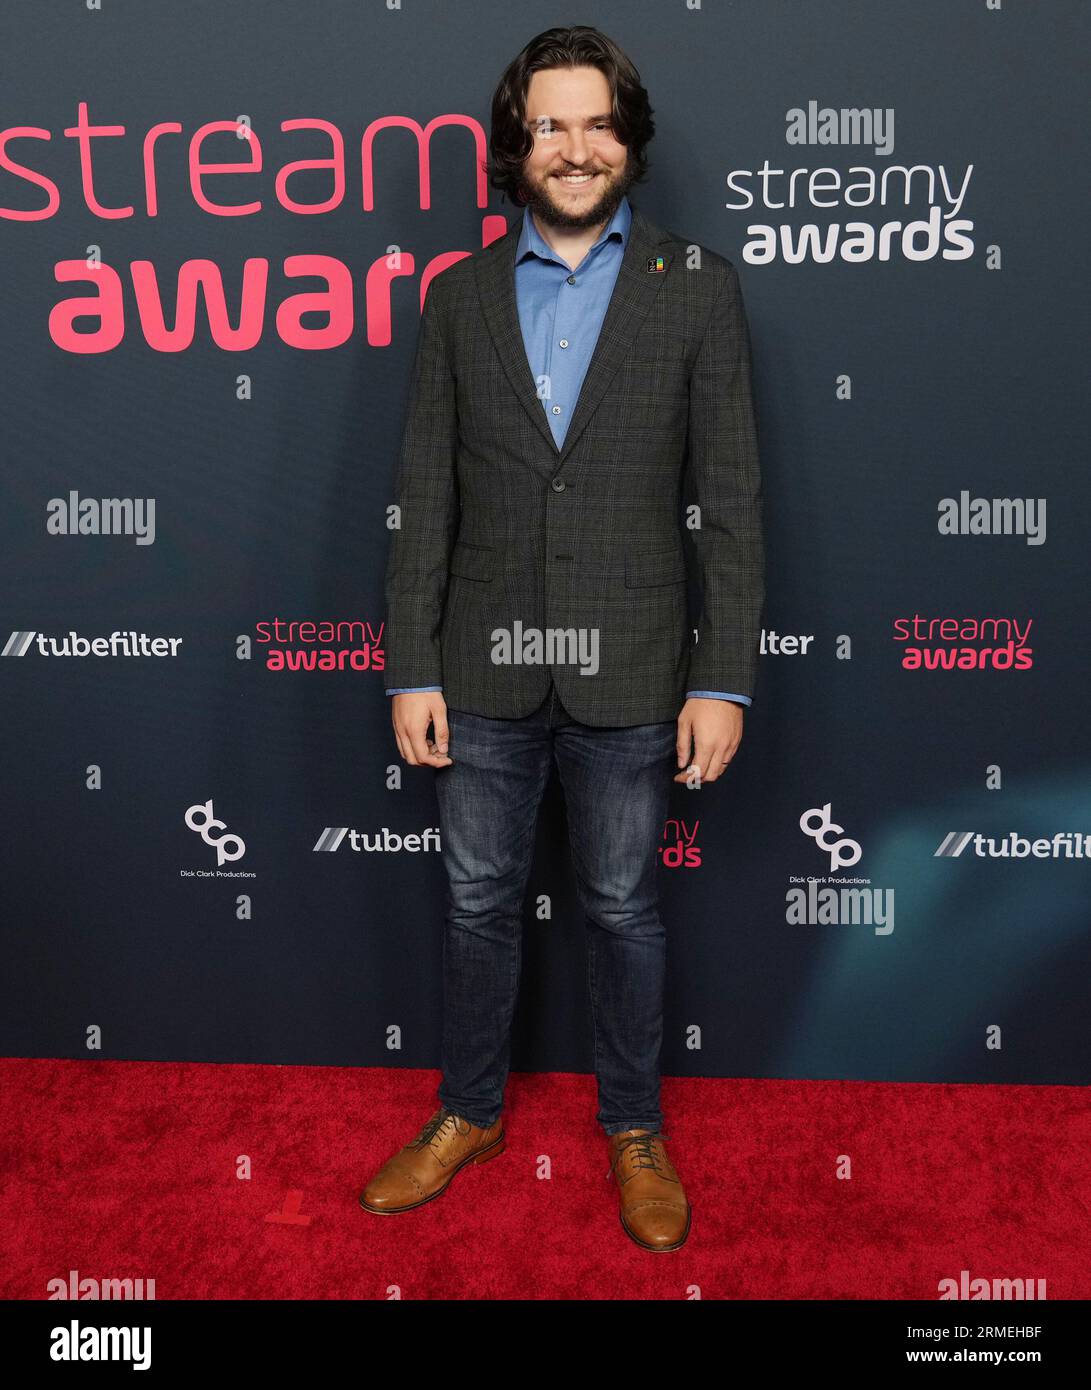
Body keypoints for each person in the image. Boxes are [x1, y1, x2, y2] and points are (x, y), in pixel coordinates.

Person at [360, 24, 765, 1252]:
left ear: (627, 138)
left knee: (623, 907)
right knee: (477, 901)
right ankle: (467, 1112)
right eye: (549, 124)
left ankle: (632, 1126)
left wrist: (726, 681)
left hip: (638, 662)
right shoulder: (458, 297)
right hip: (479, 665)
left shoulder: (696, 285)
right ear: (514, 146)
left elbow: (731, 499)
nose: (573, 147)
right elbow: (424, 491)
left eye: (596, 122)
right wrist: (411, 663)